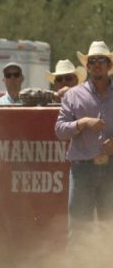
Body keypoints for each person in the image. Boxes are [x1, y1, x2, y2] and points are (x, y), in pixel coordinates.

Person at [54, 41, 113, 252]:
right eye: (93, 61)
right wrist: (82, 123)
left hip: (110, 169)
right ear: (87, 66)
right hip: (82, 169)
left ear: (109, 65)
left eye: (102, 60)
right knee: (79, 228)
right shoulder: (72, 95)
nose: (97, 64)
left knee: (110, 227)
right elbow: (60, 130)